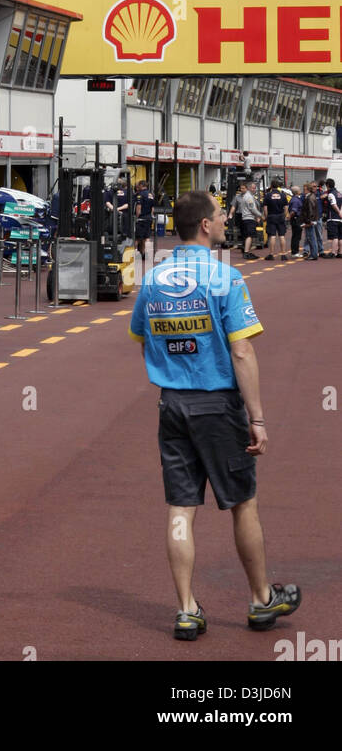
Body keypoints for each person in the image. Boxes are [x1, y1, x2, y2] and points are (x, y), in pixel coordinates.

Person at [129, 188, 301, 641]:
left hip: (172, 403)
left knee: (181, 509)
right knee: (242, 502)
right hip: (216, 403)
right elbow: (241, 351)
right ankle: (262, 599)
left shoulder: (153, 278)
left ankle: (186, 609)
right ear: (205, 224)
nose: (226, 220)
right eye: (221, 215)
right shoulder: (225, 277)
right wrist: (258, 418)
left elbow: (143, 338)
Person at [263, 179, 289, 262]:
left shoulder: (268, 195)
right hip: (280, 216)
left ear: (271, 185)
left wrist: (267, 217)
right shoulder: (283, 195)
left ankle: (271, 254)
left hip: (271, 216)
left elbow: (265, 208)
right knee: (282, 235)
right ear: (278, 186)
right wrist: (284, 215)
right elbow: (286, 207)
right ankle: (283, 254)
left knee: (272, 236)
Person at [234, 180, 260, 261]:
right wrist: (260, 215)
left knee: (248, 236)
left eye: (255, 188)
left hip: (246, 218)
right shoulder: (248, 197)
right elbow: (252, 208)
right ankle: (246, 252)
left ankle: (247, 251)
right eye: (253, 188)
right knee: (249, 235)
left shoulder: (248, 196)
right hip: (249, 218)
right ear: (249, 188)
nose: (254, 189)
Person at [301, 182, 322, 262]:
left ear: (308, 190)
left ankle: (313, 254)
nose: (303, 191)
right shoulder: (312, 196)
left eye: (304, 189)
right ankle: (313, 254)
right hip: (312, 220)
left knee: (311, 238)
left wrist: (308, 222)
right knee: (312, 237)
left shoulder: (309, 198)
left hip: (309, 221)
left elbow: (310, 211)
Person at [134, 179, 155, 258]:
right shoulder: (151, 194)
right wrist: (151, 216)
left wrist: (137, 217)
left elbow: (139, 207)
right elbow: (153, 208)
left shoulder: (140, 195)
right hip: (149, 218)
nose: (137, 187)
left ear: (141, 185)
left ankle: (132, 255)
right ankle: (146, 254)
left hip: (141, 219)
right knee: (147, 237)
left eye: (138, 185)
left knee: (138, 238)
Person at [323, 179, 342, 259]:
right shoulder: (339, 193)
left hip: (333, 217)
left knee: (334, 236)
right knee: (340, 236)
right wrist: (341, 213)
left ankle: (333, 253)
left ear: (327, 185)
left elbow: (333, 205)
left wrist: (338, 212)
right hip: (340, 219)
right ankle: (340, 252)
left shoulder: (331, 194)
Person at [288, 186, 303, 258]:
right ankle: (295, 252)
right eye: (299, 189)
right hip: (296, 219)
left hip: (295, 219)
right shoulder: (295, 200)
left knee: (296, 236)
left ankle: (295, 252)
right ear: (296, 191)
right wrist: (289, 217)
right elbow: (293, 211)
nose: (300, 190)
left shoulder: (295, 199)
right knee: (296, 236)